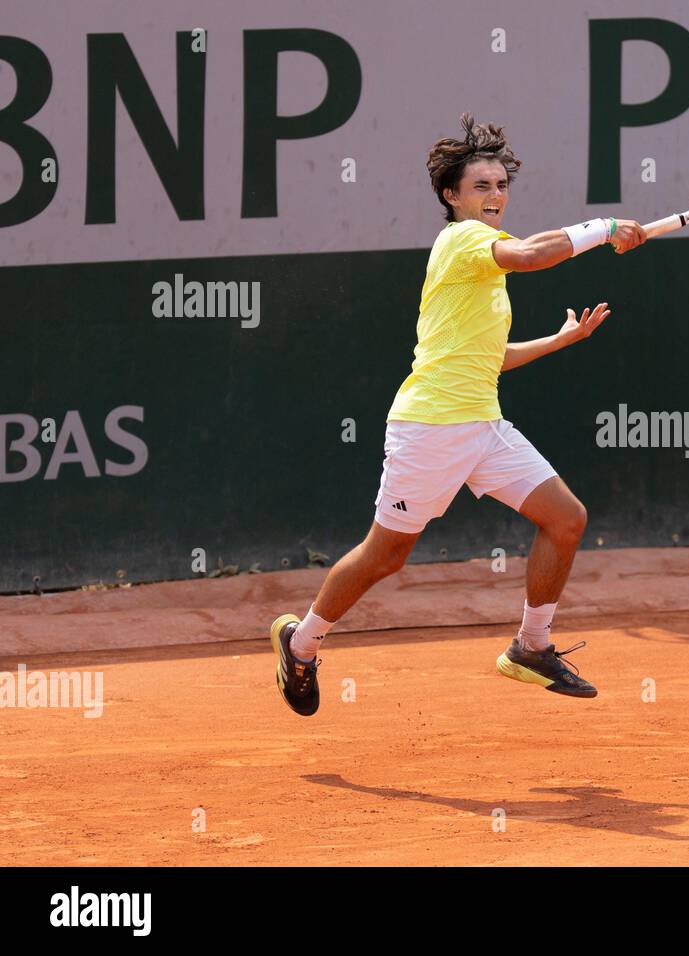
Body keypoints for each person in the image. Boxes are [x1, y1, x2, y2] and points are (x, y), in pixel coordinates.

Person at [271, 114, 646, 715]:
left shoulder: (481, 263)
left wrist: (558, 341)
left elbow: (488, 358)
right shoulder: (464, 240)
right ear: (452, 196)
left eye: (501, 186)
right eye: (481, 187)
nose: (495, 197)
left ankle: (531, 645)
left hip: (483, 426)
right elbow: (527, 256)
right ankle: (303, 641)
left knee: (566, 519)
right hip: (430, 430)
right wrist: (603, 228)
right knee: (385, 556)